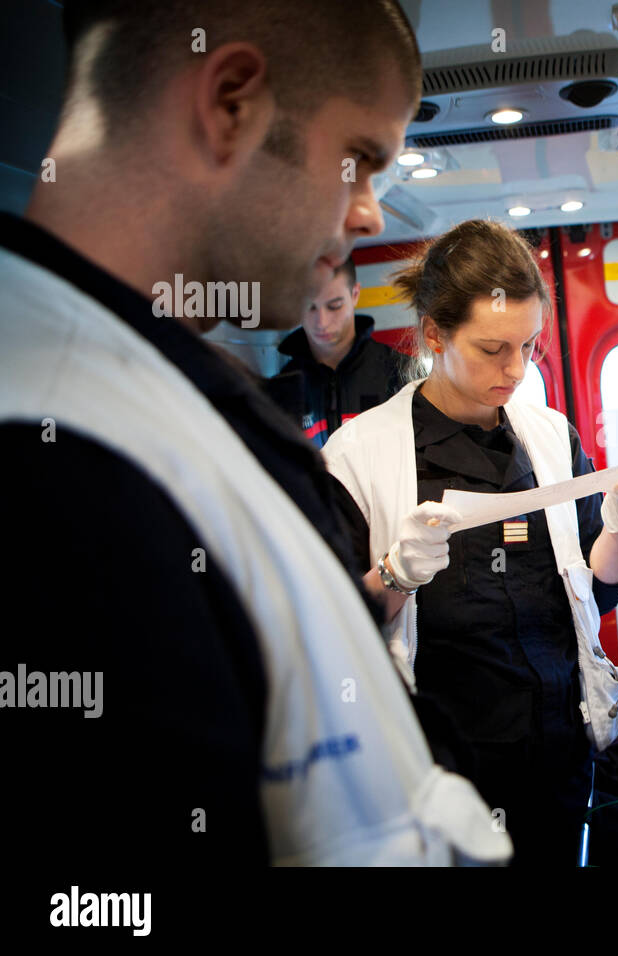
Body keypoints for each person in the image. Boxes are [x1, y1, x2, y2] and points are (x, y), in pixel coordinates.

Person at [0, 0, 509, 866]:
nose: (369, 215)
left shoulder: (168, 389)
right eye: (360, 162)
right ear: (231, 104)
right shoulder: (55, 465)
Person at [322, 218, 618, 866]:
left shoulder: (547, 432)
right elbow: (334, 626)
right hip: (447, 765)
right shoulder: (359, 454)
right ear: (434, 334)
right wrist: (398, 573)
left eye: (529, 345)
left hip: (559, 747)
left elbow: (597, 589)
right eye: (492, 349)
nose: (517, 368)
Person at [267, 254, 405, 448]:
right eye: (310, 307)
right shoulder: (283, 389)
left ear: (355, 294)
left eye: (334, 306)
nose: (322, 322)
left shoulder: (399, 373)